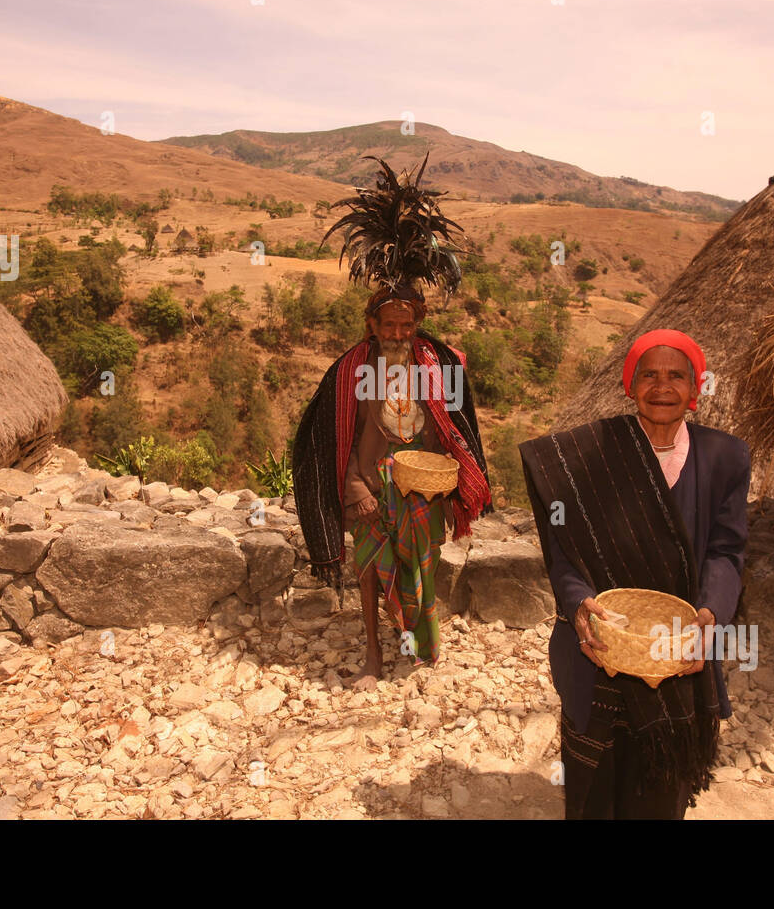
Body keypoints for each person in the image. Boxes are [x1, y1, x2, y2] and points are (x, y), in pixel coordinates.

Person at [519, 328, 750, 819]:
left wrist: (709, 619)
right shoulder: (592, 454)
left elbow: (727, 550)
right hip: (602, 640)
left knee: (660, 787)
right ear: (629, 384)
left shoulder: (724, 457)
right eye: (649, 375)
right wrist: (579, 603)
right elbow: (564, 549)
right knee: (594, 787)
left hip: (678, 645)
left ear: (695, 388)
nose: (662, 386)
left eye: (676, 376)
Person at [293, 156, 491, 687]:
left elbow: (456, 430)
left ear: (418, 323)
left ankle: (421, 648)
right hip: (369, 488)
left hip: (423, 488)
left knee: (419, 570)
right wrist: (352, 484)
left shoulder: (442, 365)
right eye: (389, 324)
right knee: (368, 577)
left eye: (407, 324)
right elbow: (327, 438)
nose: (398, 333)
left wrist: (450, 489)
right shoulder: (349, 371)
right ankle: (374, 660)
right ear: (372, 324)